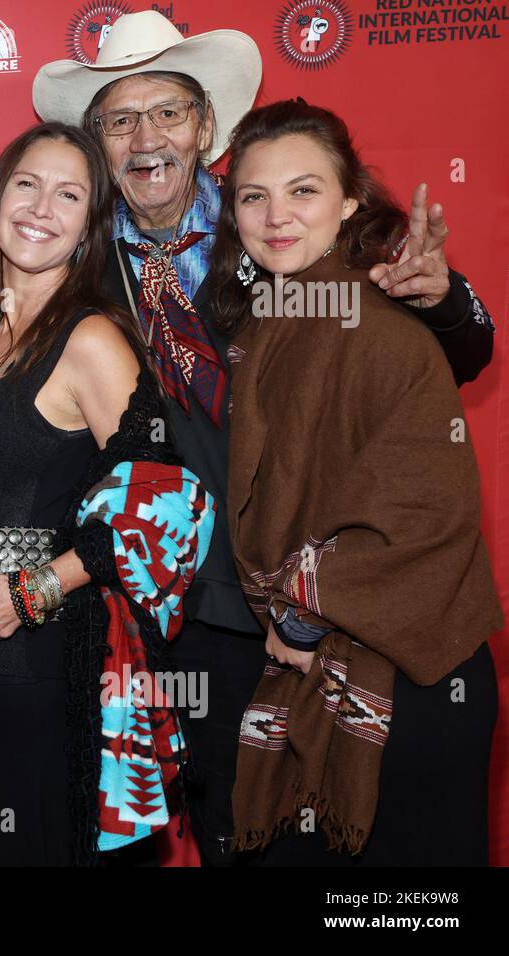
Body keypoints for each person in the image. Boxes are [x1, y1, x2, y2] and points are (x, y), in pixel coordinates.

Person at [0, 10, 496, 864]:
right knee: (222, 830)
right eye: (118, 119)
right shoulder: (76, 258)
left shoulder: (279, 222)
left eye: (168, 113)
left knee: (374, 837)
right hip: (170, 612)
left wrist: (440, 295)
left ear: (206, 127)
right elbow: (2, 368)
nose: (146, 138)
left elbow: (456, 348)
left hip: (319, 595)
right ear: (98, 144)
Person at [211, 99, 501, 865]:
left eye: (303, 191)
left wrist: (302, 617)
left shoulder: (380, 310)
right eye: (253, 195)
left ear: (349, 202)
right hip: (319, 668)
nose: (276, 216)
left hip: (405, 679)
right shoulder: (272, 312)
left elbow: (422, 505)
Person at [0, 122, 213, 866]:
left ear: (88, 228)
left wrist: (34, 591)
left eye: (69, 194)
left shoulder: (89, 339)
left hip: (40, 668)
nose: (42, 206)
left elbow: (173, 502)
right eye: (27, 184)